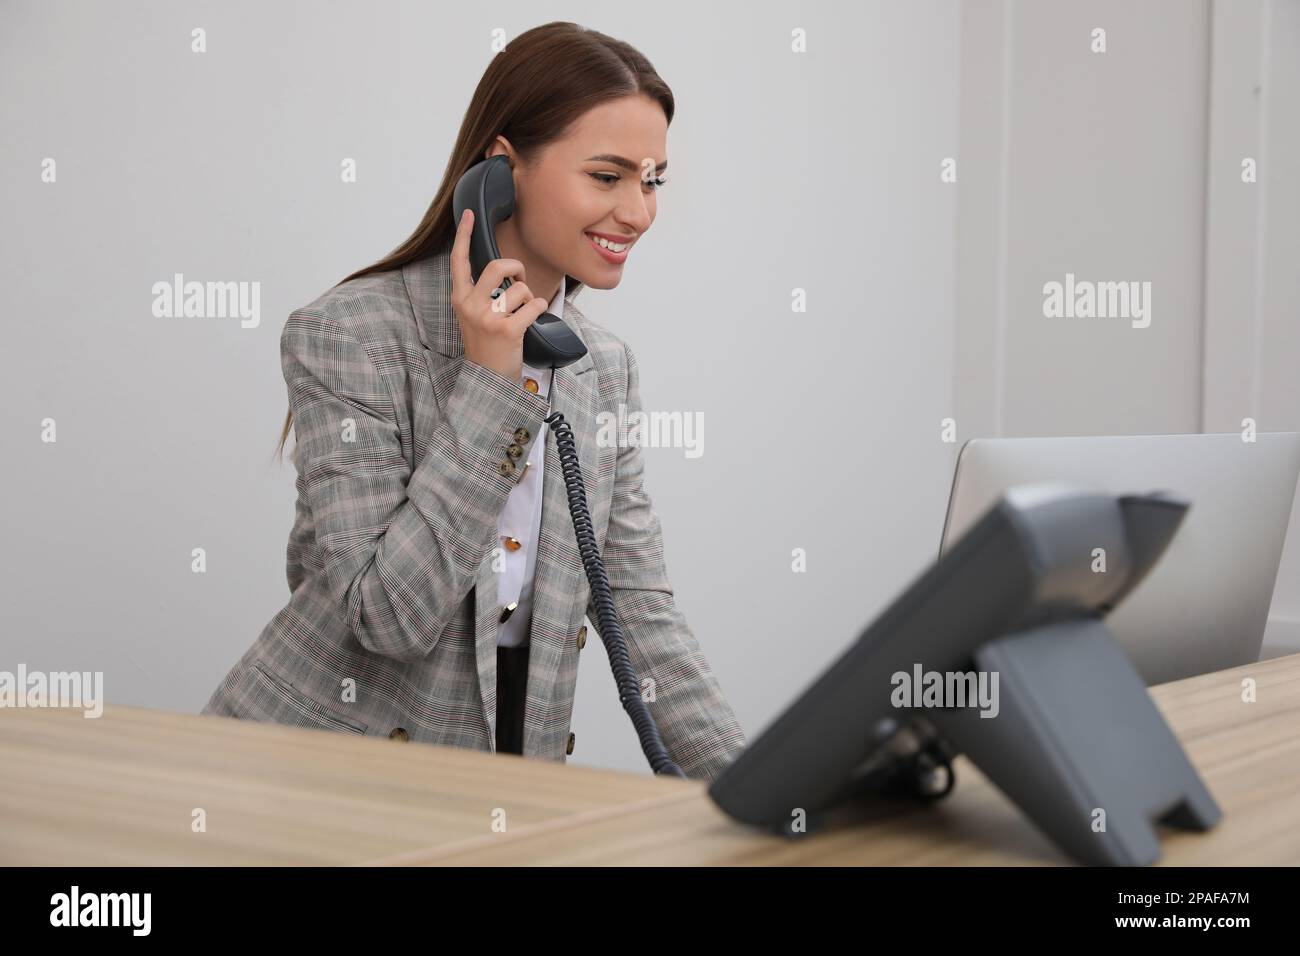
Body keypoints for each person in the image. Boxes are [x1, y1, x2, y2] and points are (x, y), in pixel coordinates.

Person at [201, 21, 745, 781]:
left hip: (497, 782)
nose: (639, 212)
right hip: (307, 782)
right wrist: (492, 384)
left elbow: (640, 611)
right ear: (501, 170)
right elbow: (387, 615)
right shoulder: (352, 335)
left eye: (651, 180)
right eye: (607, 176)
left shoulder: (603, 371)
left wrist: (768, 799)